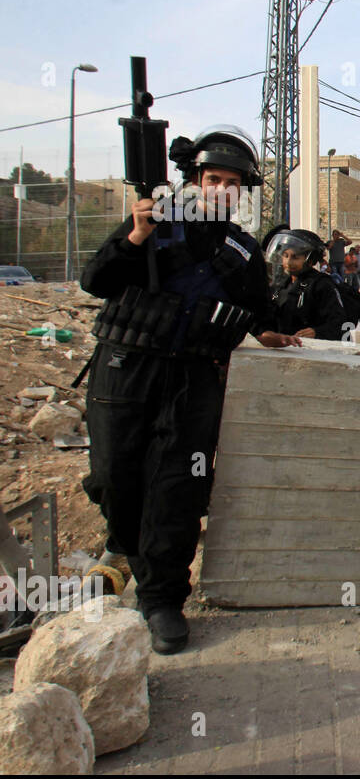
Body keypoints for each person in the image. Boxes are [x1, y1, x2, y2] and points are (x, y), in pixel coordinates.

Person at [79, 125, 301, 654]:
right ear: (193, 181)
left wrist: (268, 333)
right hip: (126, 369)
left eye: (231, 183)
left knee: (178, 488)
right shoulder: (153, 224)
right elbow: (97, 281)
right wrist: (133, 237)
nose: (219, 189)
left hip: (194, 379)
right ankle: (128, 549)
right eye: (211, 178)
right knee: (113, 476)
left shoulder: (244, 251)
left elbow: (258, 311)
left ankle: (161, 599)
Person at [267, 229, 347, 340]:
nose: (288, 262)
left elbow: (339, 323)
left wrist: (316, 332)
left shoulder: (321, 285)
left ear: (310, 260)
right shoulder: (281, 284)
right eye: (286, 256)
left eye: (295, 257)